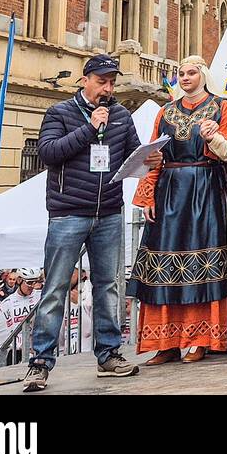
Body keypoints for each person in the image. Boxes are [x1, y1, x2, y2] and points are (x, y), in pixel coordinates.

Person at [23, 53, 156, 391]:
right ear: (85, 81)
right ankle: (40, 363)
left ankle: (109, 355)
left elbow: (133, 157)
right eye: (101, 82)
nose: (108, 89)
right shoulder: (60, 113)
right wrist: (88, 128)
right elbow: (49, 154)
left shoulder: (122, 116)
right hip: (68, 213)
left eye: (112, 82)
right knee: (54, 288)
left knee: (109, 287)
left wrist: (151, 161)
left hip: (110, 212)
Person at [129, 56, 227, 365]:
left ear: (203, 76)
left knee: (201, 260)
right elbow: (152, 156)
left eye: (191, 72)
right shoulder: (165, 112)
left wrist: (213, 136)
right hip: (169, 191)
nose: (186, 77)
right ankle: (166, 343)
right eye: (181, 73)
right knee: (161, 263)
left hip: (204, 188)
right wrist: (148, 195)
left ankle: (201, 339)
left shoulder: (221, 107)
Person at [0, 268, 43, 357]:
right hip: (17, 351)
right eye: (29, 282)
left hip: (38, 348)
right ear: (19, 280)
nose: (32, 286)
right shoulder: (8, 303)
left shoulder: (40, 296)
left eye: (35, 282)